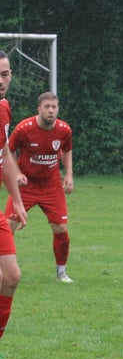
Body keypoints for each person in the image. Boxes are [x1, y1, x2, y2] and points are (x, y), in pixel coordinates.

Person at [6, 92, 75, 282]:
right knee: (8, 225)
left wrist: (68, 174)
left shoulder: (64, 130)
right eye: (47, 107)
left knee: (61, 228)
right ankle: (4, 269)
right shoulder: (24, 128)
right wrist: (17, 173)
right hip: (25, 185)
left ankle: (61, 272)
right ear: (39, 109)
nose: (51, 110)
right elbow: (9, 150)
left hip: (51, 186)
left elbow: (67, 150)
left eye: (54, 107)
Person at [0, 50, 29, 359]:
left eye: (5, 74)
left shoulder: (4, 109)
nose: (1, 81)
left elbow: (4, 153)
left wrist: (16, 200)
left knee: (11, 276)